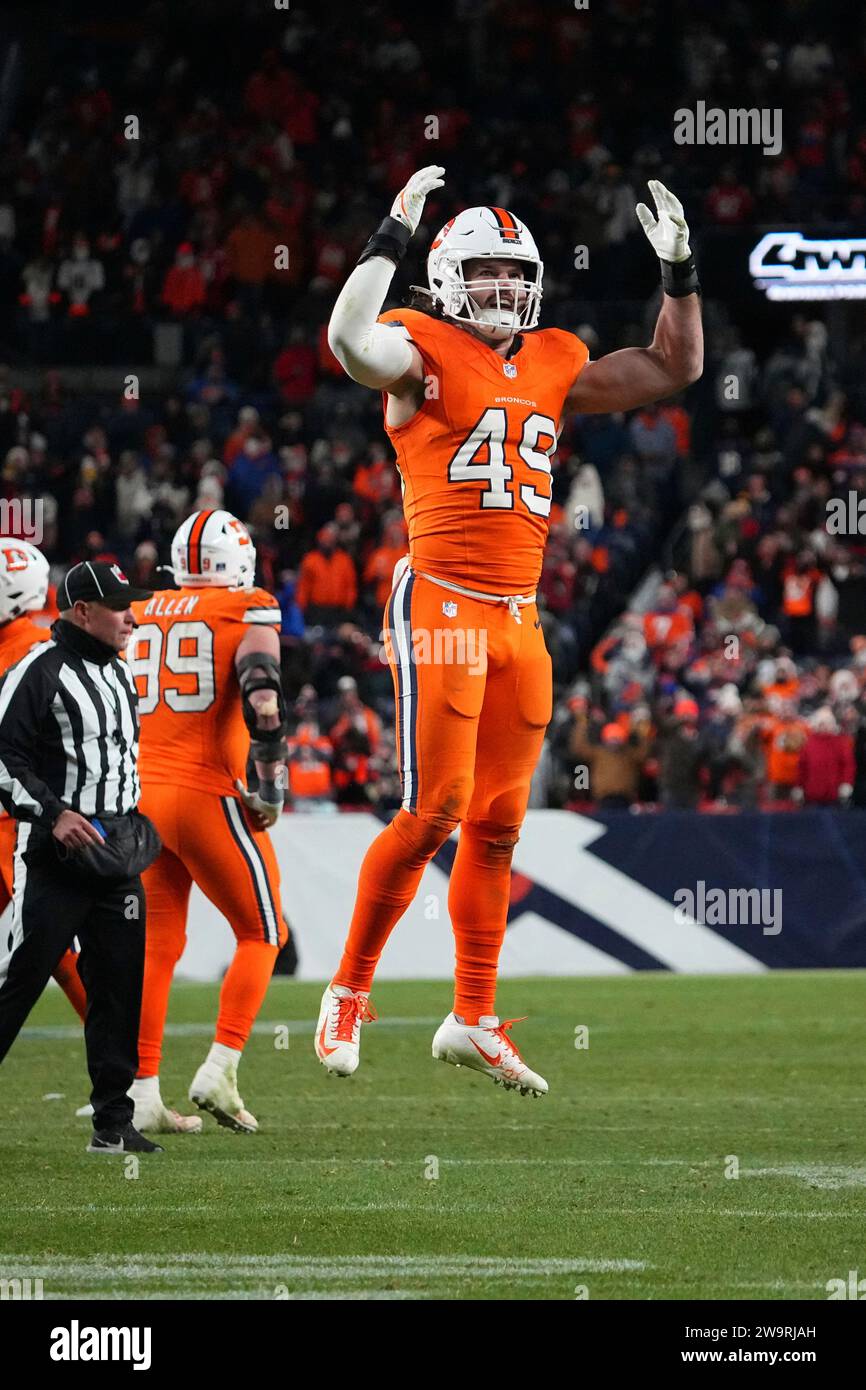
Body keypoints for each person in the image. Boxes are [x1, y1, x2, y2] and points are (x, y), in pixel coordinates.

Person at [318, 165, 702, 1093]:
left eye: (512, 273)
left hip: (520, 615)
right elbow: (347, 340)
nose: (501, 289)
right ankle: (347, 989)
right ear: (448, 276)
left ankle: (473, 1014)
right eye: (484, 272)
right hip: (442, 599)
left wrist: (681, 273)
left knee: (497, 825)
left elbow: (674, 366)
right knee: (432, 810)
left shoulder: (554, 356)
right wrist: (390, 232)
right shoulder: (419, 345)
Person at [125, 508, 288, 1133]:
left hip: (142, 797)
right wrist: (270, 784)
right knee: (262, 931)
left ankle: (141, 1091)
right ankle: (220, 1064)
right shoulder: (246, 606)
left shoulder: (143, 607)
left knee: (157, 947)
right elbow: (264, 696)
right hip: (206, 793)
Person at [0, 560, 162, 1154]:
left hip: (116, 855)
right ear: (81, 610)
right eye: (120, 605)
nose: (132, 616)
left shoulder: (119, 675)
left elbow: (120, 765)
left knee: (119, 986)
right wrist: (54, 813)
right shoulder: (36, 671)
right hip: (54, 858)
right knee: (18, 980)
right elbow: (3, 759)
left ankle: (113, 1123)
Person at [0, 541, 87, 1022]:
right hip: (23, 809)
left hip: (21, 816)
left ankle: (129, 1068)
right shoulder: (41, 643)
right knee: (50, 943)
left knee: (54, 941)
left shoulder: (31, 650)